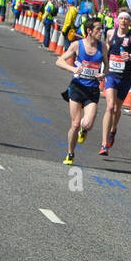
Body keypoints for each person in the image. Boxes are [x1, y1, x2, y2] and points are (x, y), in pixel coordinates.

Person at [55, 16, 107, 166]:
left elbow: (107, 66)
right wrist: (73, 68)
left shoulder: (103, 47)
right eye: (98, 29)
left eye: (101, 29)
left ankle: (84, 131)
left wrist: (103, 74)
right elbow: (59, 61)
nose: (100, 32)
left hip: (92, 89)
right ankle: (70, 153)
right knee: (75, 123)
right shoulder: (77, 45)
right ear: (89, 31)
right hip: (77, 87)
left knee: (88, 124)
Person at [99, 11, 131, 156]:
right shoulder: (110, 33)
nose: (123, 21)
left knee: (117, 108)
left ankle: (113, 129)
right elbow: (106, 49)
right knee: (110, 106)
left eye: (126, 19)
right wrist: (102, 64)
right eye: (121, 18)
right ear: (117, 20)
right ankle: (104, 144)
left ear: (129, 22)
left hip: (126, 77)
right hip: (111, 75)